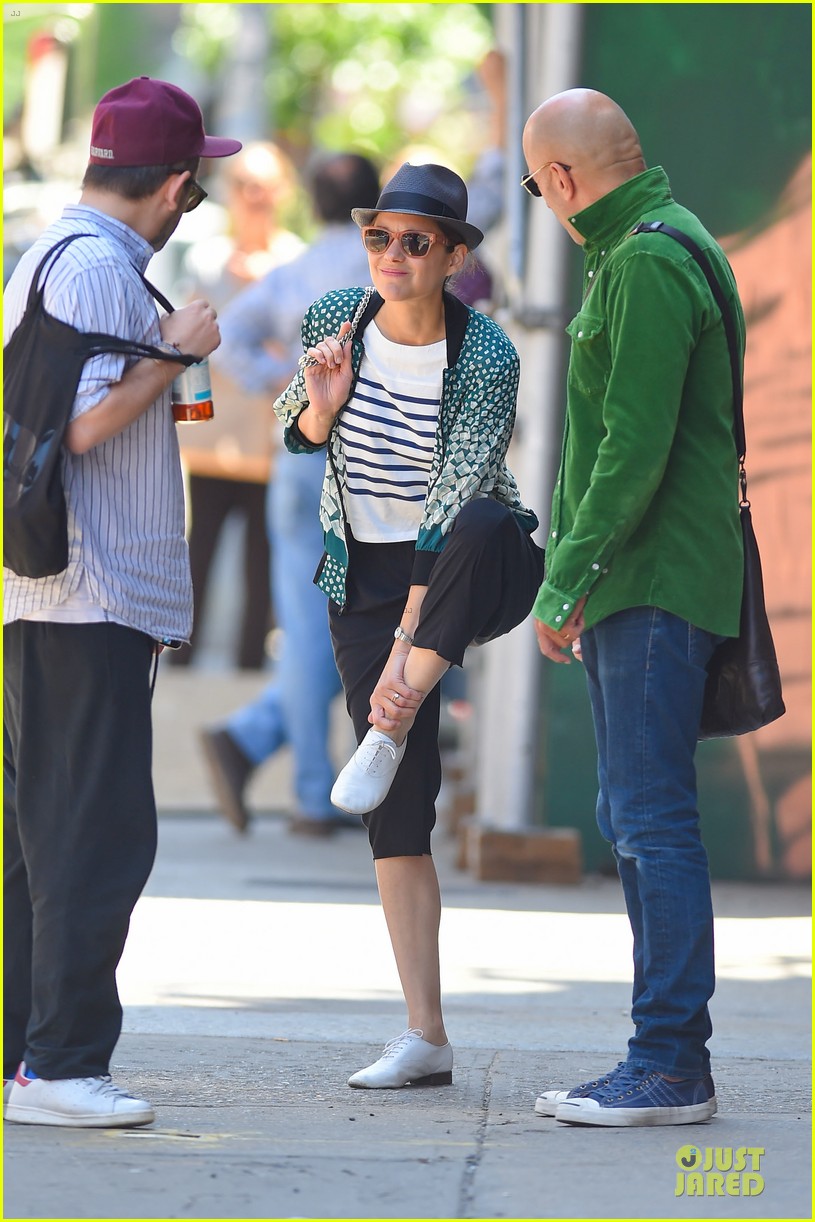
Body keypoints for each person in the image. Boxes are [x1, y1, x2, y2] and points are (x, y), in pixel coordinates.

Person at [273, 162, 545, 1088]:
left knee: (480, 523)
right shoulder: (336, 318)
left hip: (469, 564)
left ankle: (388, 722)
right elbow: (294, 431)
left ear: (455, 257)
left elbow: (451, 500)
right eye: (379, 236)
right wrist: (324, 403)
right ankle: (425, 1036)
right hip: (362, 571)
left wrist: (402, 663)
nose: (392, 254)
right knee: (396, 807)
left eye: (415, 241)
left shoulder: (486, 355)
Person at [3, 76, 240, 1127]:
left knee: (40, 836)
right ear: (177, 184)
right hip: (87, 590)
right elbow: (89, 423)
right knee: (92, 837)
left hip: (50, 587)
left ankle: (26, 1056)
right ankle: (61, 1067)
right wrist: (178, 350)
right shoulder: (101, 268)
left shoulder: (53, 254)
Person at [523, 89, 744, 1127]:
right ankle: (661, 1056)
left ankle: (668, 1064)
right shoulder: (649, 244)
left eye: (537, 188)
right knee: (636, 815)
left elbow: (631, 448)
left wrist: (563, 578)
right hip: (643, 577)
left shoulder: (647, 259)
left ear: (560, 179)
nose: (545, 204)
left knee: (649, 819)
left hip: (649, 579)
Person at [199, 153, 380, 836]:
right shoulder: (386, 269)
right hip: (371, 460)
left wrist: (286, 386)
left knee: (312, 624)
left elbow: (227, 339)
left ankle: (261, 747)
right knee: (372, 619)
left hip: (301, 450)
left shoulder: (296, 270)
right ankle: (302, 786)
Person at [169, 142, 304, 670]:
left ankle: (250, 663)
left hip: (272, 437)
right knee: (197, 548)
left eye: (264, 187)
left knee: (262, 560)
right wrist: (188, 419)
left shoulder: (296, 260)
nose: (255, 197)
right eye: (245, 185)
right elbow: (185, 347)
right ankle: (182, 655)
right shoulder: (206, 260)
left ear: (283, 192)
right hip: (212, 437)